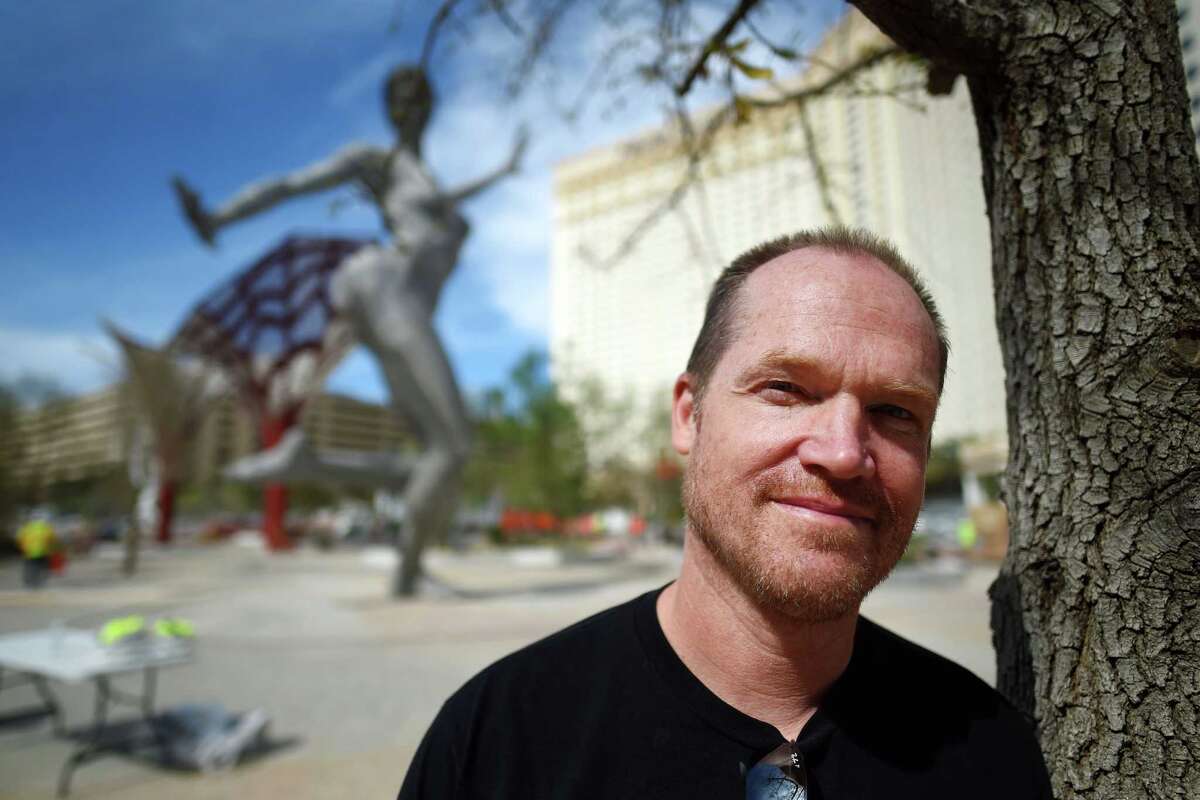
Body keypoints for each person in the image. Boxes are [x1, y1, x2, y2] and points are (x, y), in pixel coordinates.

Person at [396, 227, 1053, 799]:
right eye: (787, 389)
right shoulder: (498, 740)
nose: (844, 453)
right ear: (690, 414)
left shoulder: (990, 752)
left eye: (895, 412)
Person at [172, 66, 526, 595]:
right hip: (389, 290)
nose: (412, 107)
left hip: (404, 309)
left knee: (439, 453)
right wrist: (218, 217)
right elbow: (293, 185)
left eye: (421, 96)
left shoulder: (425, 179)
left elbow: (450, 200)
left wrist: (502, 170)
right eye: (401, 98)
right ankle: (407, 577)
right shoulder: (378, 162)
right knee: (453, 445)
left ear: (432, 106)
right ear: (389, 108)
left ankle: (311, 463)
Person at [16, 511, 58, 589]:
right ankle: (41, 579)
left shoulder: (27, 527)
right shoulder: (45, 527)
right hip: (43, 550)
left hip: (29, 551)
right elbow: (52, 538)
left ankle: (29, 580)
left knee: (29, 565)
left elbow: (20, 538)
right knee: (43, 565)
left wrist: (23, 547)